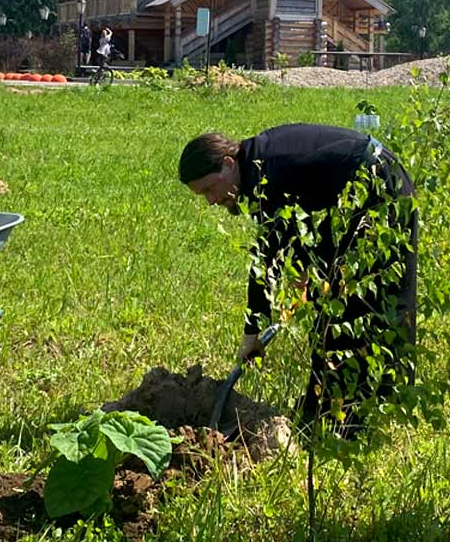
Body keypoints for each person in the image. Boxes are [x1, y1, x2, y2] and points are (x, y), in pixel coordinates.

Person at [179, 124, 417, 426]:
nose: (211, 201)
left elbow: (265, 258)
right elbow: (295, 217)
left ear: (227, 164)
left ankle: (358, 414)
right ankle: (326, 407)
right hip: (353, 189)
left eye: (209, 189)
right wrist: (304, 269)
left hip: (378, 184)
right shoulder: (255, 166)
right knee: (327, 295)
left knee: (359, 300)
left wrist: (252, 334)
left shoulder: (266, 169)